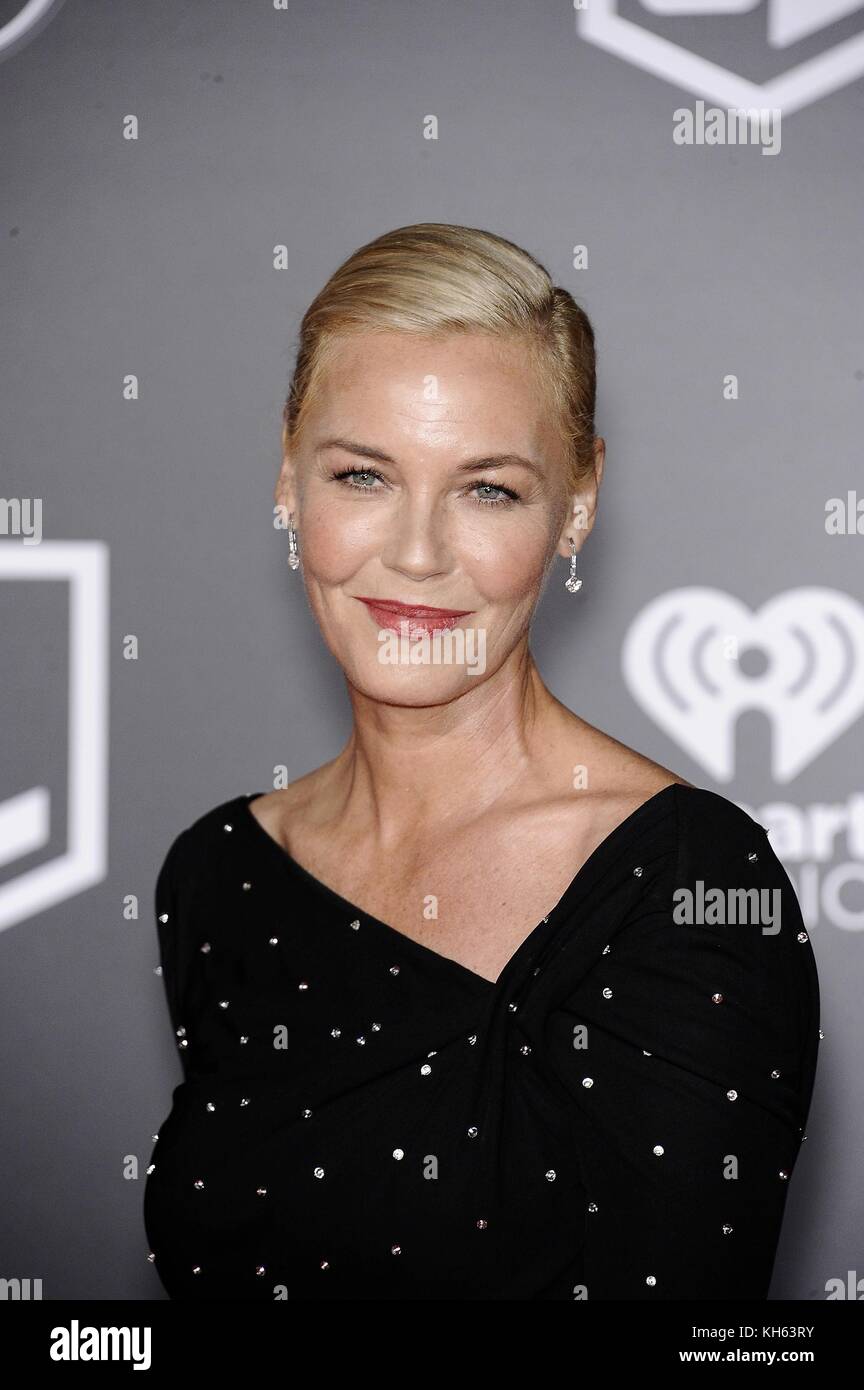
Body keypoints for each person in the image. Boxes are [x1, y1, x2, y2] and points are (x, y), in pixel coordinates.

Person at [144, 222, 819, 1300]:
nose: (415, 553)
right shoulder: (221, 876)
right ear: (287, 476)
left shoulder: (688, 885)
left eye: (487, 489)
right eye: (363, 474)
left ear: (578, 504)